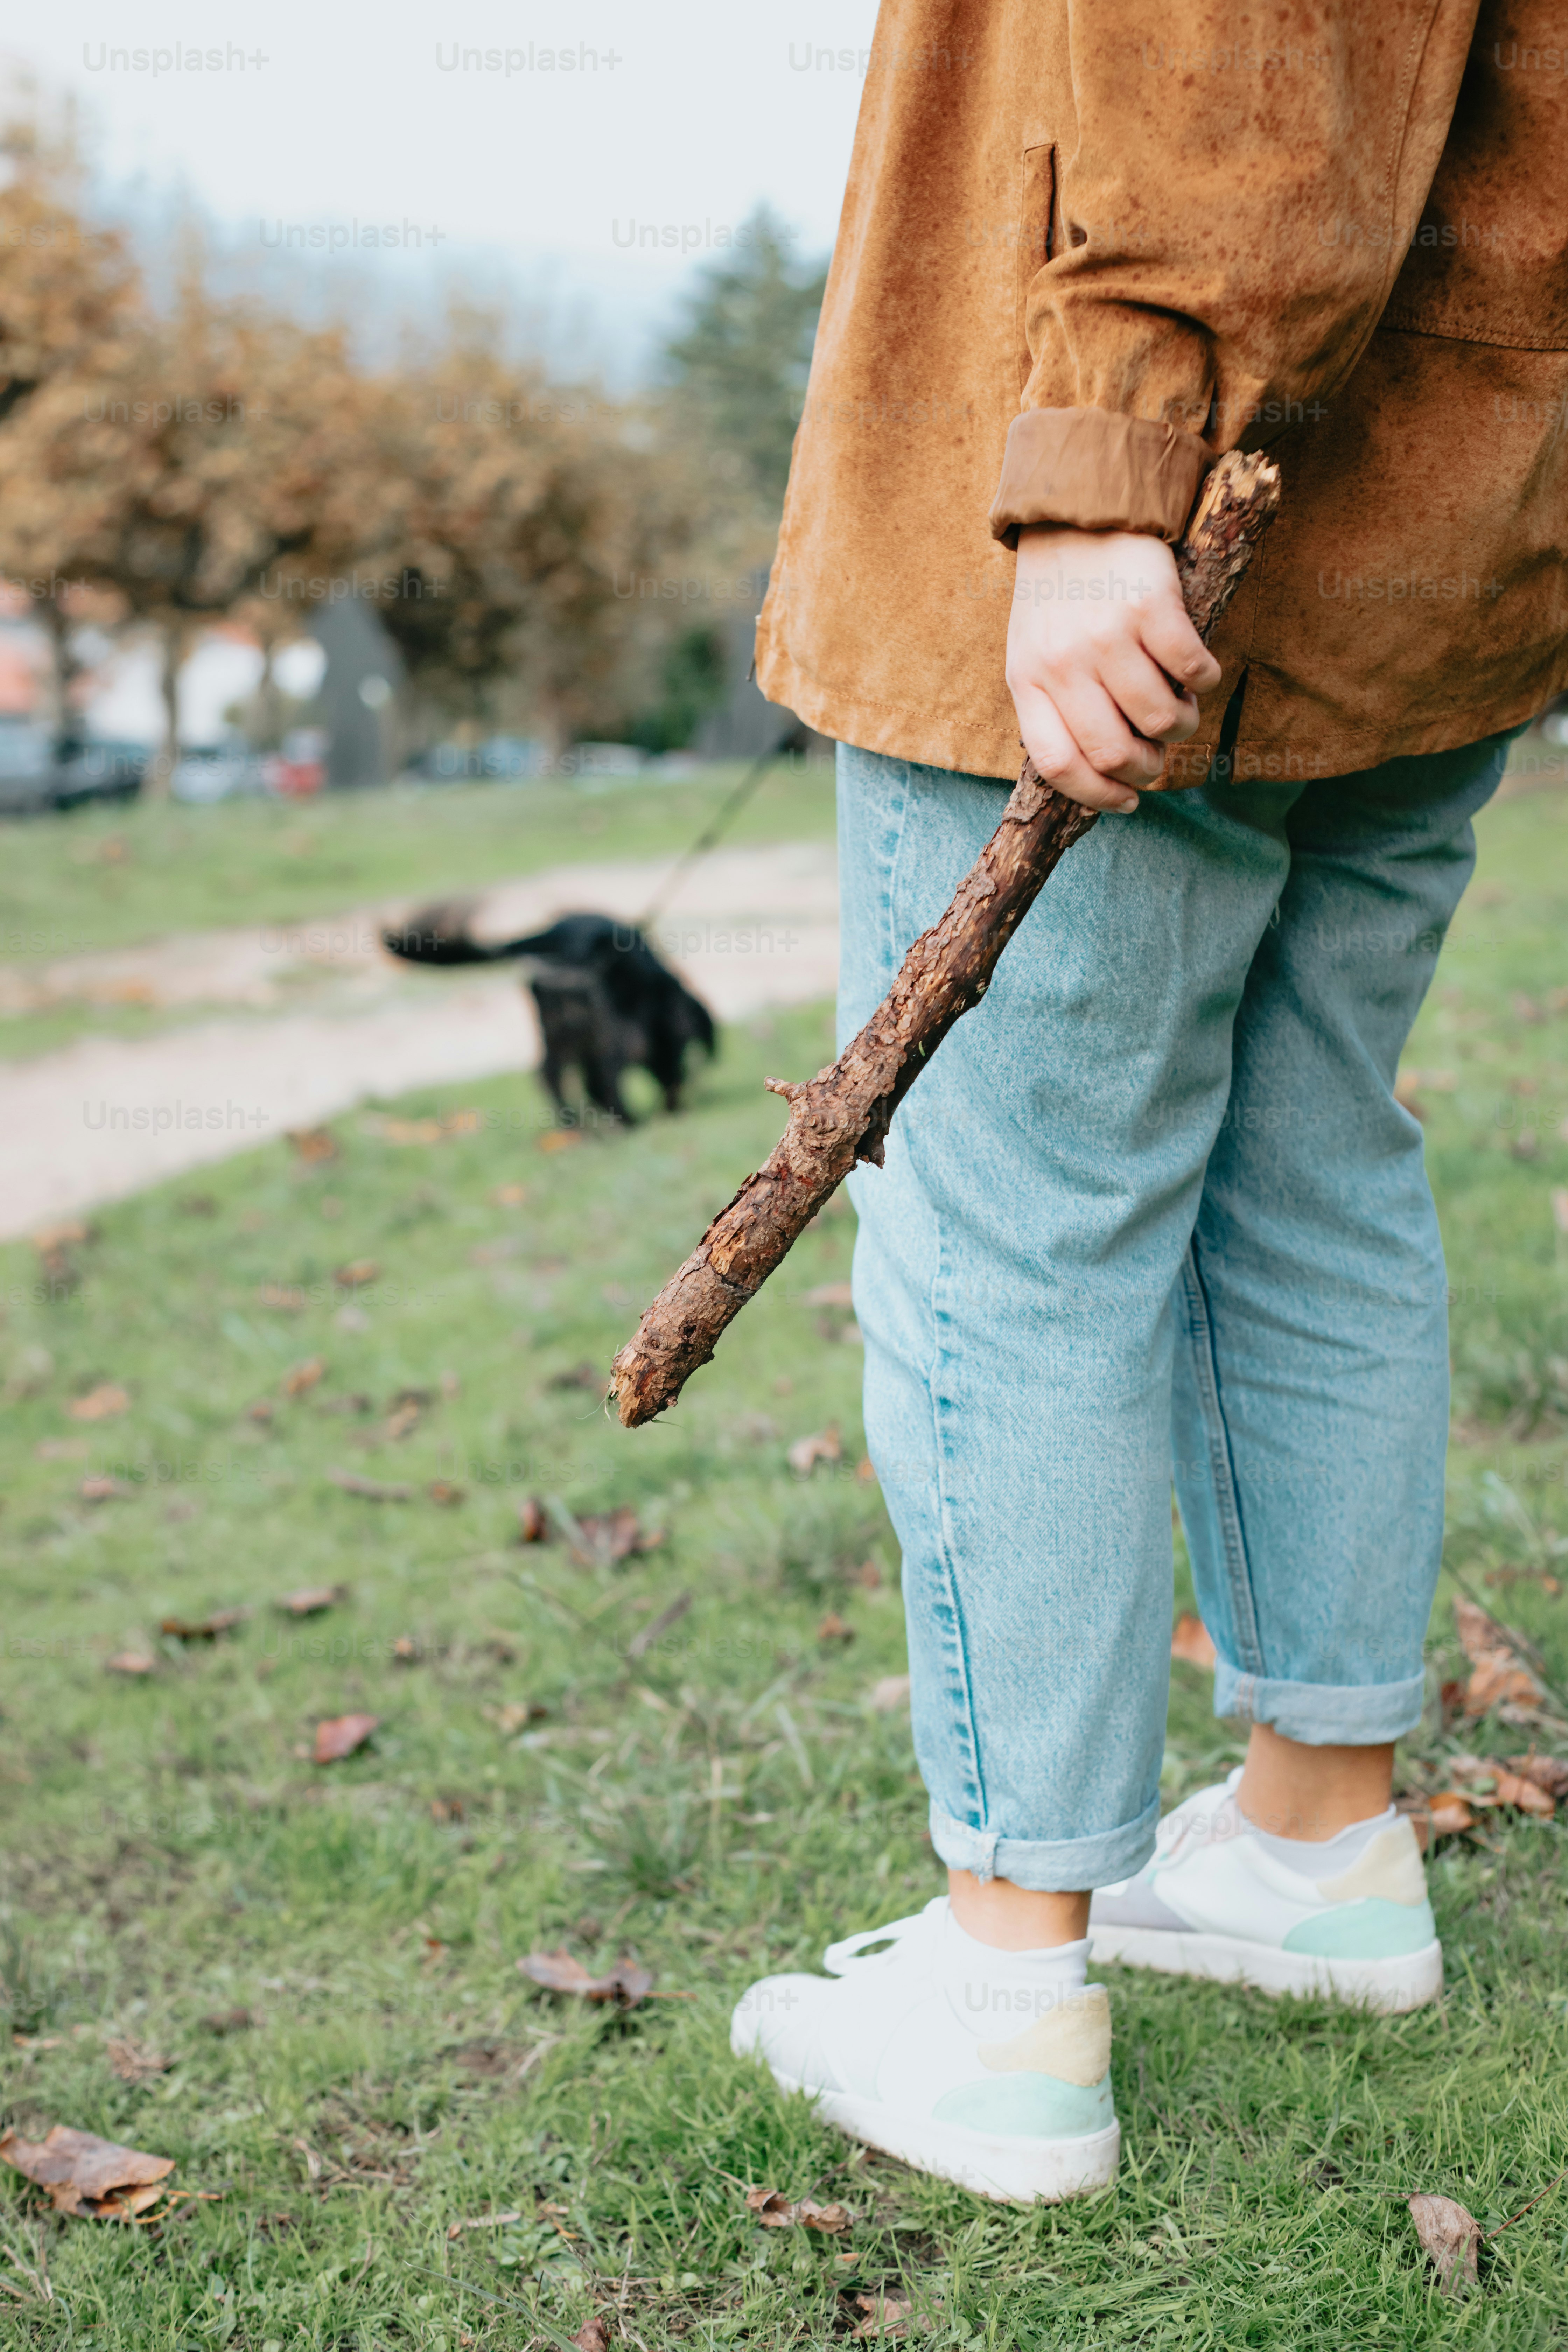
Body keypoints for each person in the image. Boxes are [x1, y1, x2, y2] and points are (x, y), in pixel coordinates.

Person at [730, 0, 1568, 2203]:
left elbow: (1236, 56)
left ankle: (1008, 1999)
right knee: (1313, 1166)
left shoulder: (1118, 476)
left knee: (1021, 1230)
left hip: (1128, 520)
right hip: (1440, 513)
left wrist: (1105, 465)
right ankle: (1317, 1842)